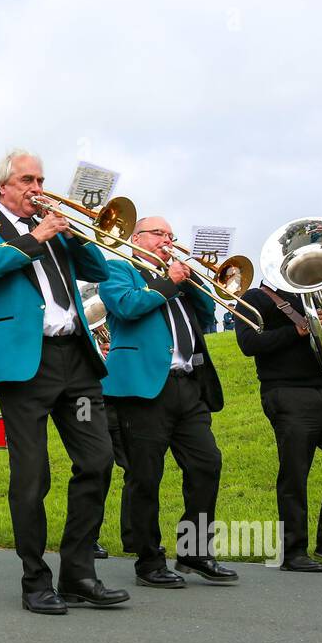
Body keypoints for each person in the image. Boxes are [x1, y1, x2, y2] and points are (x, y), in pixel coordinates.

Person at [0, 149, 129, 614]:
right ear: (3, 188)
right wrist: (37, 235)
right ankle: (35, 580)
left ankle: (78, 573)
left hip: (75, 356)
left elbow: (98, 272)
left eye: (41, 179)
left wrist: (75, 236)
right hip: (23, 366)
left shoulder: (54, 226)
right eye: (28, 180)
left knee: (98, 461)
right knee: (32, 478)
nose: (38, 187)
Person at [99, 216, 237, 588]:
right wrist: (169, 282)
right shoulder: (118, 268)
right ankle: (148, 559)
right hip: (143, 389)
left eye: (171, 236)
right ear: (136, 238)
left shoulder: (176, 280)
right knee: (145, 476)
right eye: (159, 234)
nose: (167, 240)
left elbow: (206, 320)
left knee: (207, 464)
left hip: (188, 386)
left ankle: (194, 551)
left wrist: (193, 286)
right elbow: (126, 307)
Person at [235, 278, 322, 572]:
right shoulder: (256, 298)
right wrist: (294, 331)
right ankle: (293, 552)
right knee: (295, 472)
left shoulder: (314, 295)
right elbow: (248, 343)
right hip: (285, 392)